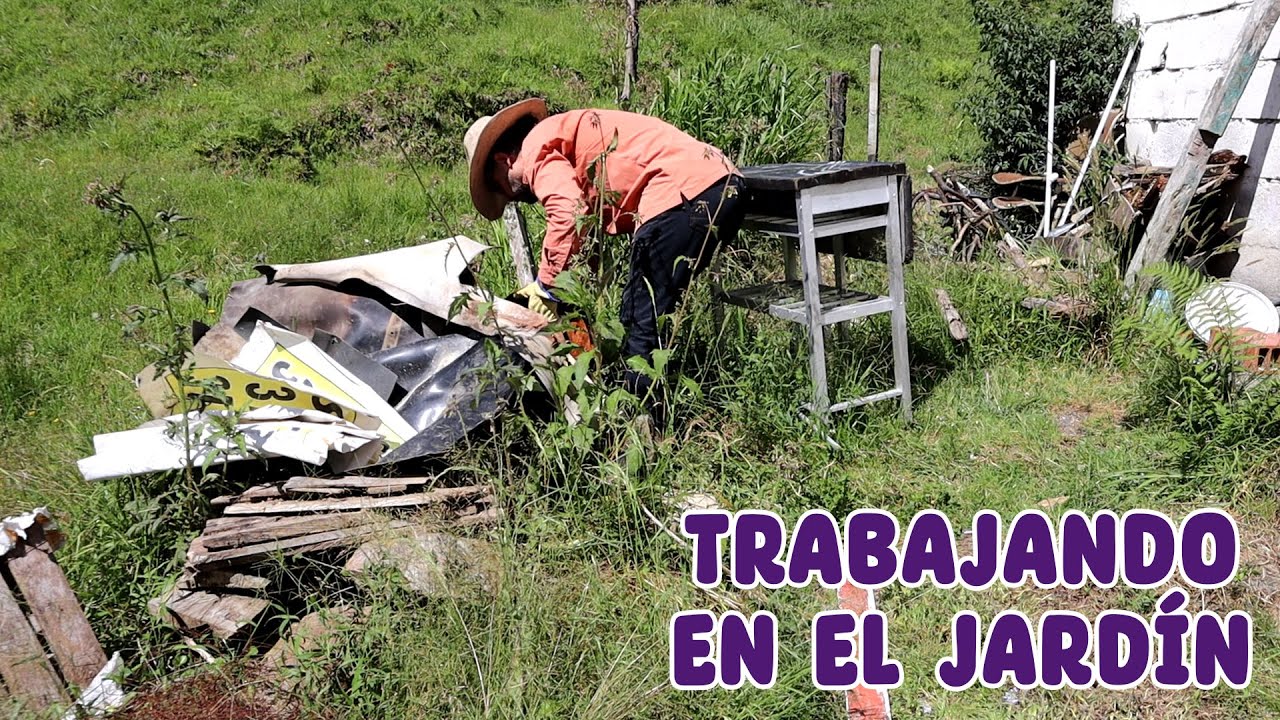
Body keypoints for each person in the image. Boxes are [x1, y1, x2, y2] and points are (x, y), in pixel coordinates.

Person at [463, 98, 746, 409]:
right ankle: (639, 404)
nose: (510, 197)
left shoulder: (535, 149)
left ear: (504, 161)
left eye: (500, 189)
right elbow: (586, 226)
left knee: (643, 320)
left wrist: (546, 288)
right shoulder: (560, 137)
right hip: (716, 185)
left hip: (682, 191)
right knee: (639, 309)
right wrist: (575, 288)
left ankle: (641, 423)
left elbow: (569, 211)